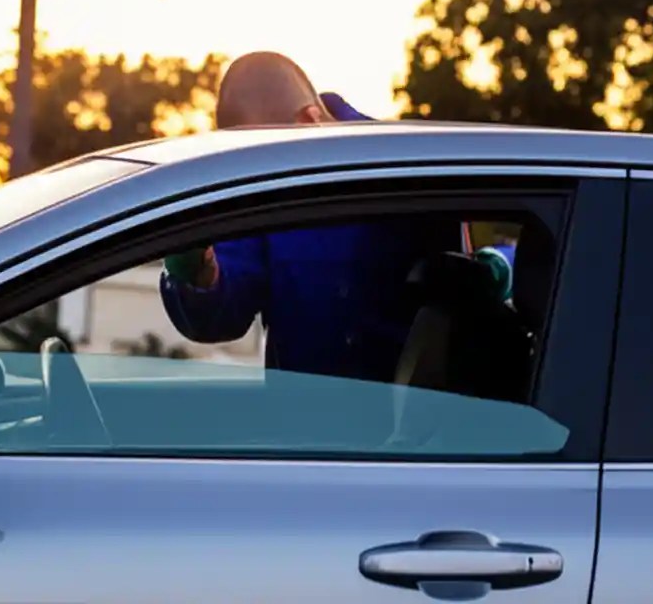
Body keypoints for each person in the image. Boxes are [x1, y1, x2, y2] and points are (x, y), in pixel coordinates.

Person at [159, 52, 464, 382]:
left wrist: (495, 264)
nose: (267, 178)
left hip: (416, 423)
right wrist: (194, 267)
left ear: (309, 121)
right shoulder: (262, 188)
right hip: (303, 425)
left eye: (271, 161)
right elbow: (222, 312)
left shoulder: (414, 164)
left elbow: (468, 290)